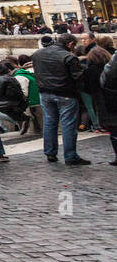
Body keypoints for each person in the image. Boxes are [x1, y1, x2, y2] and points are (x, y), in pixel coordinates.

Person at [31, 33, 89, 164]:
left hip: (45, 93)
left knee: (49, 122)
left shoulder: (37, 54)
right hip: (66, 94)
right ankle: (70, 156)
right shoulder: (68, 57)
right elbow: (78, 78)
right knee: (68, 125)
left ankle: (50, 152)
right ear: (69, 44)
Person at [83, 37, 117, 164]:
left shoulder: (90, 71)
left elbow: (87, 88)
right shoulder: (110, 66)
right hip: (111, 100)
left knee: (114, 132)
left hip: (104, 104)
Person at [13, 56, 41, 135]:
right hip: (42, 100)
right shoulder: (40, 70)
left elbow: (23, 92)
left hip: (30, 103)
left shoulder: (21, 75)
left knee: (32, 126)